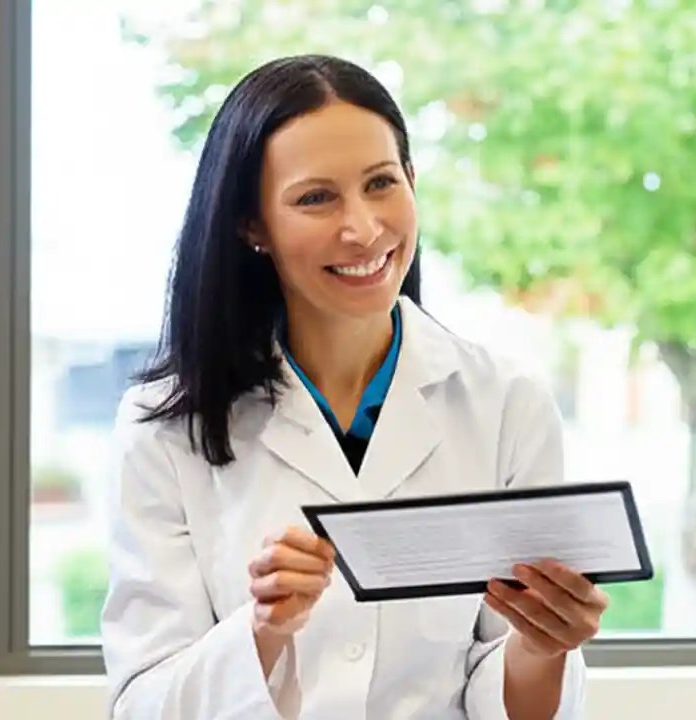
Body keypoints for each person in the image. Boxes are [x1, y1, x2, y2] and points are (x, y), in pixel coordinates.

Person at [100, 54, 608, 720]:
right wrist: (263, 633)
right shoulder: (164, 426)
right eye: (316, 198)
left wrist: (541, 648)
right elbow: (141, 704)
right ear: (251, 225)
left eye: (381, 184)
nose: (364, 228)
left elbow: (505, 685)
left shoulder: (507, 405)